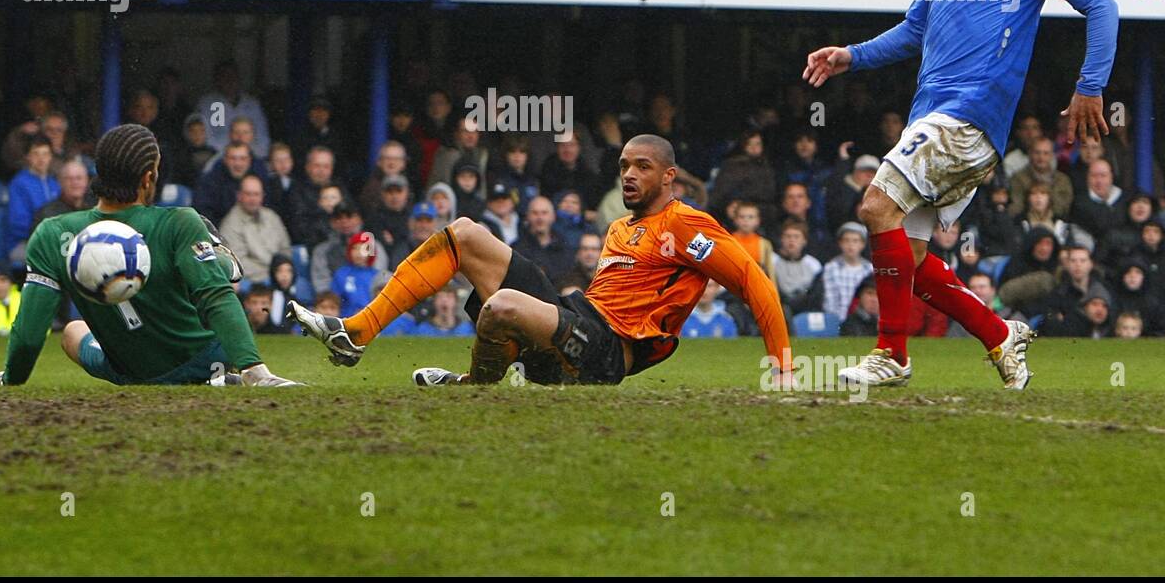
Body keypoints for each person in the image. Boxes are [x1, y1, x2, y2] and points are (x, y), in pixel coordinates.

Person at [804, 0, 1117, 388]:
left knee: (876, 206)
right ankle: (998, 334)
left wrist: (1090, 87)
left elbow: (1101, 3)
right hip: (932, 116)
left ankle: (892, 355)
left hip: (969, 118)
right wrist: (852, 55)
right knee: (913, 261)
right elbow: (915, 30)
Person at [288, 135, 793, 388]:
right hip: (579, 320)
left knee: (503, 305)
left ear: (669, 177)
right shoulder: (619, 227)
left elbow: (754, 281)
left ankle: (473, 389)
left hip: (609, 352)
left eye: (643, 167)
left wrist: (784, 368)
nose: (629, 175)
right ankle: (355, 332)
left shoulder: (688, 226)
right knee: (464, 233)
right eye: (623, 167)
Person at [0, 124, 296, 388]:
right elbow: (217, 298)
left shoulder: (51, 232)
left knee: (72, 331)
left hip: (129, 371)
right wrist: (257, 371)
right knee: (212, 278)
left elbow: (29, 336)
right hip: (203, 358)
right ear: (148, 177)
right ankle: (223, 370)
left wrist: (10, 378)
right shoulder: (179, 220)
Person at [218, 174, 291, 286]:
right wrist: (273, 273)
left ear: (262, 196)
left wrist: (282, 270)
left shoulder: (272, 217)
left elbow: (285, 249)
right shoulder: (230, 224)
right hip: (254, 281)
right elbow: (238, 263)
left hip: (280, 275)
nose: (253, 199)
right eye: (248, 194)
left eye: (256, 194)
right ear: (239, 196)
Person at [7, 135, 59, 264]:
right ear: (28, 157)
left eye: (45, 154)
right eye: (36, 154)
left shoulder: (55, 184)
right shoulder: (19, 183)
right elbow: (18, 224)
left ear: (51, 157)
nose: (41, 159)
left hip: (54, 243)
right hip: (23, 245)